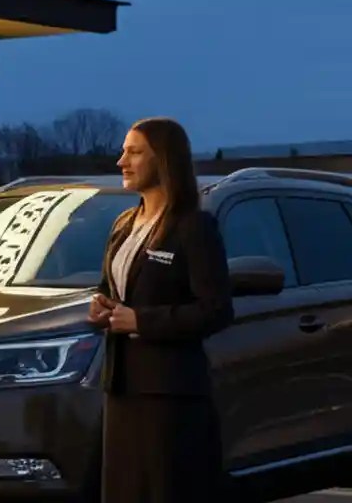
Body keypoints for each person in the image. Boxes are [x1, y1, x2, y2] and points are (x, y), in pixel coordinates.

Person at [87, 117, 234, 503]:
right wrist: (102, 307)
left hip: (170, 398)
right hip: (121, 391)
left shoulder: (193, 227)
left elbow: (216, 309)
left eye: (134, 152)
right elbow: (113, 288)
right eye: (123, 151)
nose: (122, 161)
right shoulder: (124, 223)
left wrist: (142, 321)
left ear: (164, 160)